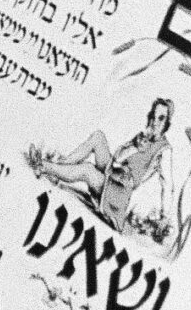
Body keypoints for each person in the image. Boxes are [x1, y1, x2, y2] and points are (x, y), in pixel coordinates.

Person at [35, 98, 175, 241]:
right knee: (98, 137)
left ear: (167, 124)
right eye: (153, 116)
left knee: (87, 170)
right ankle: (61, 166)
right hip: (113, 172)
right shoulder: (142, 137)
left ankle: (43, 166)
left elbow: (167, 184)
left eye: (161, 118)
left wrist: (164, 216)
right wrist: (134, 147)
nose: (155, 122)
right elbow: (117, 158)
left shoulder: (164, 150)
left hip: (118, 191)